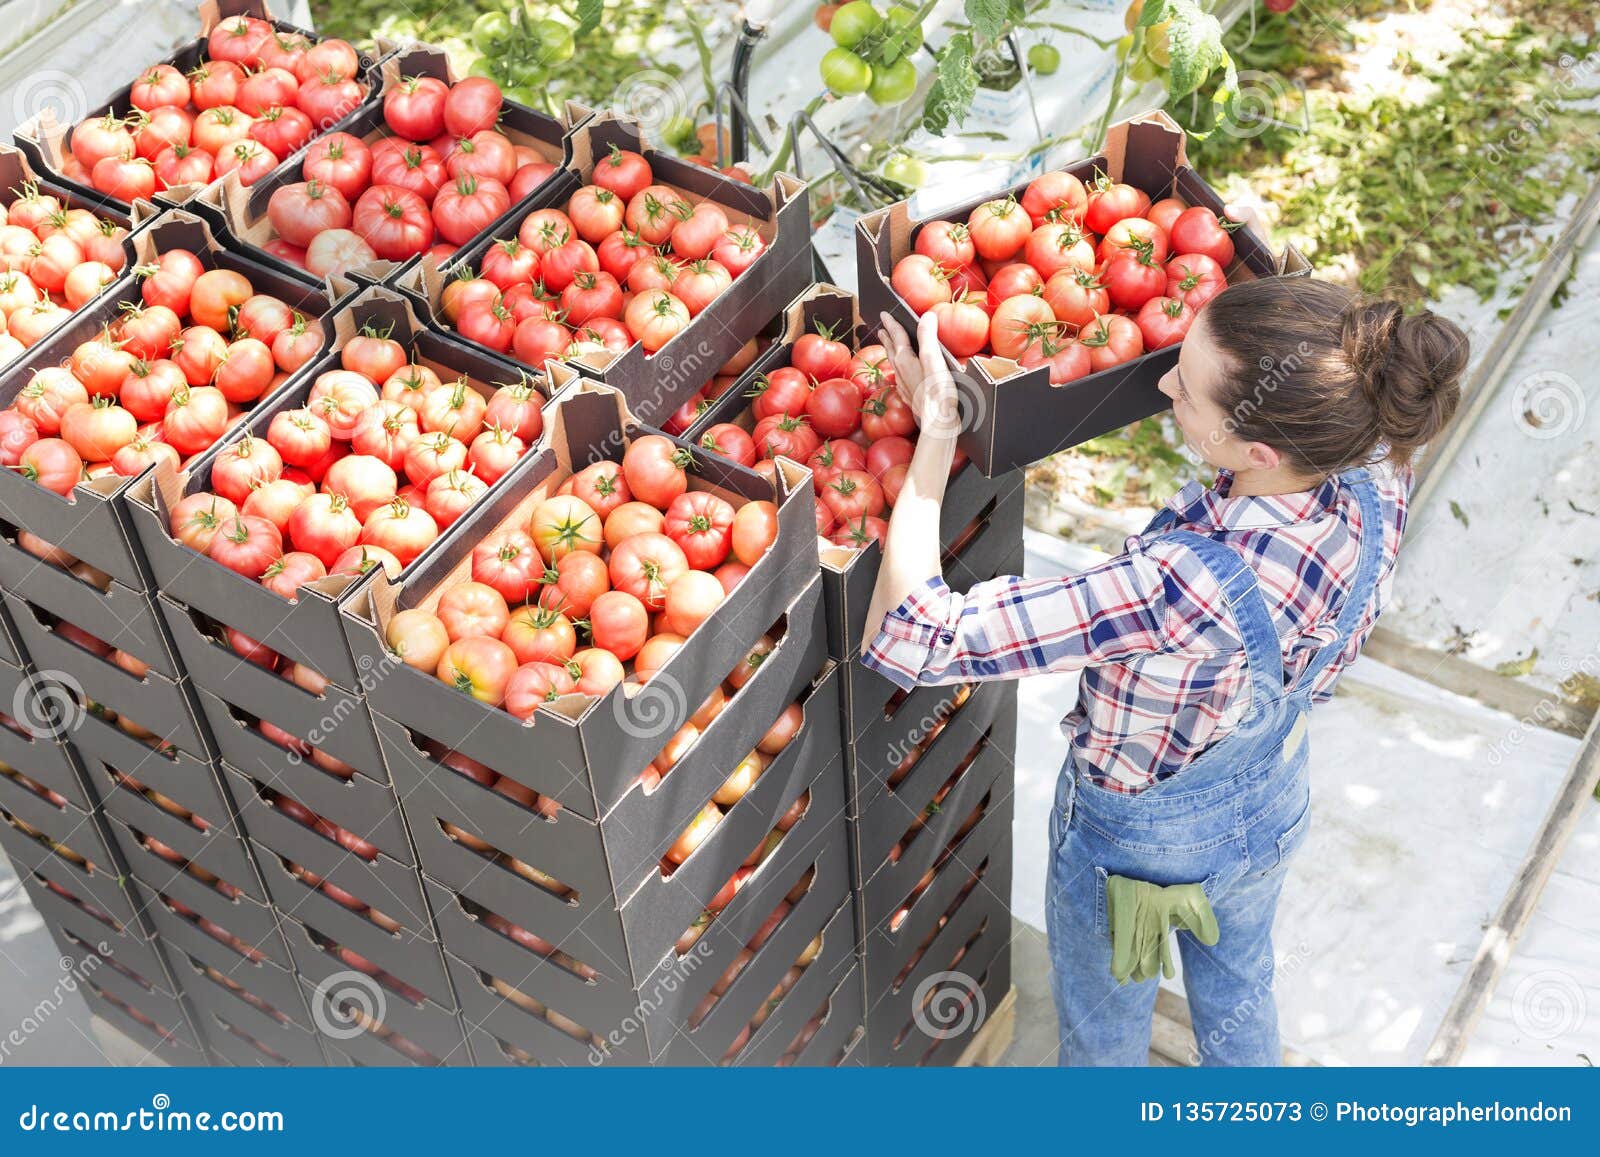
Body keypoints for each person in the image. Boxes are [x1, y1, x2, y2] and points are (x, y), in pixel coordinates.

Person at [860, 276, 1468, 1066]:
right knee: (1241, 987)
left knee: (1104, 1029)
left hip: (1134, 844)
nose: (1163, 382)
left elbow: (913, 637)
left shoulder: (1183, 585)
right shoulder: (1373, 465)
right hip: (1266, 803)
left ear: (1257, 452)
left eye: (1187, 388)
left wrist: (936, 442)